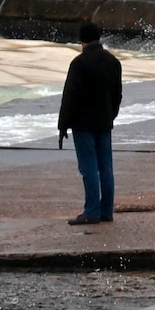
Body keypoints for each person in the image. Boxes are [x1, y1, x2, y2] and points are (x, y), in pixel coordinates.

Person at [57, 21, 123, 225]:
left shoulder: (79, 63)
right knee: (105, 167)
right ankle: (106, 211)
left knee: (88, 168)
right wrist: (110, 115)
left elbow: (70, 97)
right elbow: (117, 94)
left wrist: (63, 126)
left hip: (83, 123)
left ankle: (91, 211)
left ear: (81, 40)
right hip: (104, 122)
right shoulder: (113, 62)